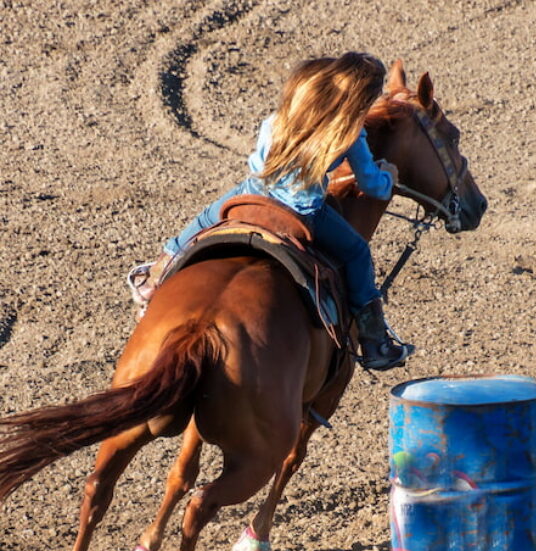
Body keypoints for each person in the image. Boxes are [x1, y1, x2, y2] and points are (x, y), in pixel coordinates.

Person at [129, 52, 413, 370]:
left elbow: (259, 164)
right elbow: (372, 185)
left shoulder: (282, 118)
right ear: (363, 99)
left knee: (204, 221)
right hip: (303, 212)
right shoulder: (349, 133)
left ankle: (155, 278)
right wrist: (389, 175)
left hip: (255, 193)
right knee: (357, 253)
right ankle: (374, 339)